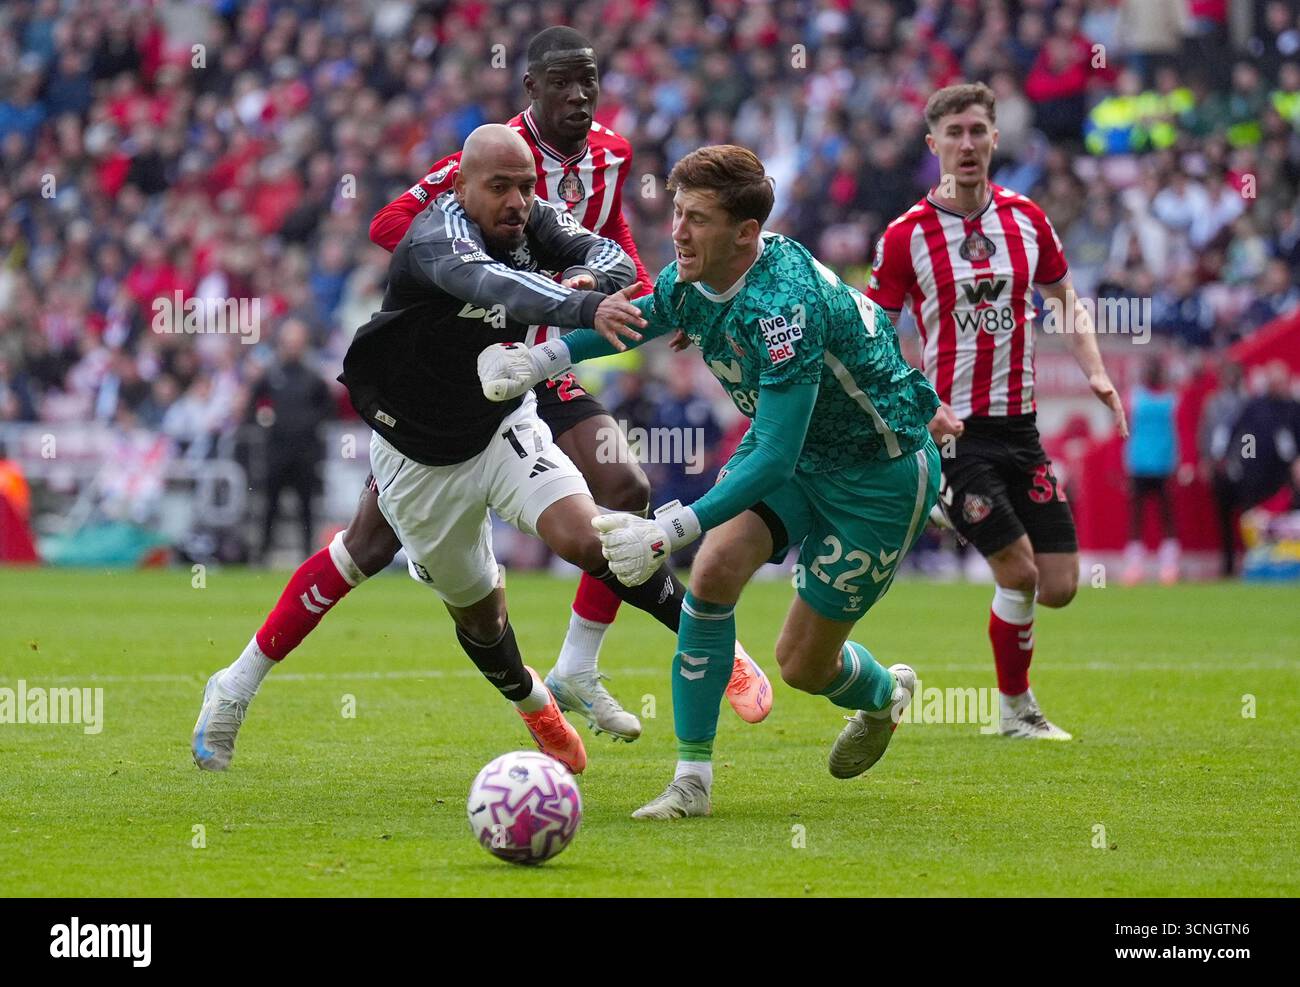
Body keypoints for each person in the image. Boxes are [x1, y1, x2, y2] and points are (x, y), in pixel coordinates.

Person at [203, 26, 769, 750]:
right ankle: (523, 694)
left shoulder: (586, 174)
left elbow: (610, 244)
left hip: (519, 387)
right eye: (500, 187)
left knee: (606, 517)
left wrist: (624, 289)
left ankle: (662, 652)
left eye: (589, 80)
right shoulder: (444, 227)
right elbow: (464, 267)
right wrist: (531, 292)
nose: (518, 198)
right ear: (461, 182)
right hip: (419, 429)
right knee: (410, 578)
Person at [479, 145, 942, 819]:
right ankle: (692, 781)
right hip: (799, 452)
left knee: (802, 666)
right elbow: (636, 317)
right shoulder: (699, 275)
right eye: (677, 212)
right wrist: (537, 359)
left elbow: (774, 457)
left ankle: (882, 695)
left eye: (696, 217)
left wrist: (667, 528)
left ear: (745, 232)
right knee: (714, 573)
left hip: (879, 474)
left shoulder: (784, 307)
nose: (679, 230)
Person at [866, 83, 1129, 740]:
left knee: (1060, 584)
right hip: (953, 431)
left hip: (1021, 430)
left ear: (994, 139)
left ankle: (944, 512)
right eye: (953, 133)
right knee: (1019, 568)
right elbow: (874, 332)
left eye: (978, 131)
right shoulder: (906, 236)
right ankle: (1016, 711)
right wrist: (911, 407)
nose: (967, 144)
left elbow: (1065, 297)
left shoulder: (1025, 218)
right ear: (934, 145)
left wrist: (1096, 371)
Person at [249, 320, 334, 562]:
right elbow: (254, 404)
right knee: (270, 504)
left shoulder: (312, 378)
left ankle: (308, 554)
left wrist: (308, 424)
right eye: (289, 343)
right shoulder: (272, 375)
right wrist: (265, 419)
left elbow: (328, 408)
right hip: (277, 450)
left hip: (305, 452)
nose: (293, 348)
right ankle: (262, 553)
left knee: (306, 505)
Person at [1122, 357, 1180, 585]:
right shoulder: (1135, 397)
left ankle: (1169, 565)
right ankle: (1136, 566)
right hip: (1140, 462)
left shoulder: (1171, 398)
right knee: (1137, 517)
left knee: (1167, 516)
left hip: (1163, 463)